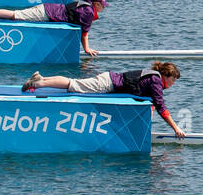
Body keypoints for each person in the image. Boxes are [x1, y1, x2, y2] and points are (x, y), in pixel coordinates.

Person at [23, 60, 185, 139]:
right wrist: (176, 129)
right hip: (107, 84)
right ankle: (38, 83)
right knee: (73, 85)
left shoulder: (154, 78)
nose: (173, 84)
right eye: (173, 80)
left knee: (74, 83)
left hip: (110, 81)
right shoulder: (156, 81)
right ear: (166, 76)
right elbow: (161, 108)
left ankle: (41, 78)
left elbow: (150, 103)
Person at [0, 0, 108, 56]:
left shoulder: (86, 4)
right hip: (46, 13)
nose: (104, 8)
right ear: (96, 4)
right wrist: (87, 49)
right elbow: (84, 34)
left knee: (16, 15)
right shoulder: (89, 12)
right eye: (103, 5)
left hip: (48, 9)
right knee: (15, 15)